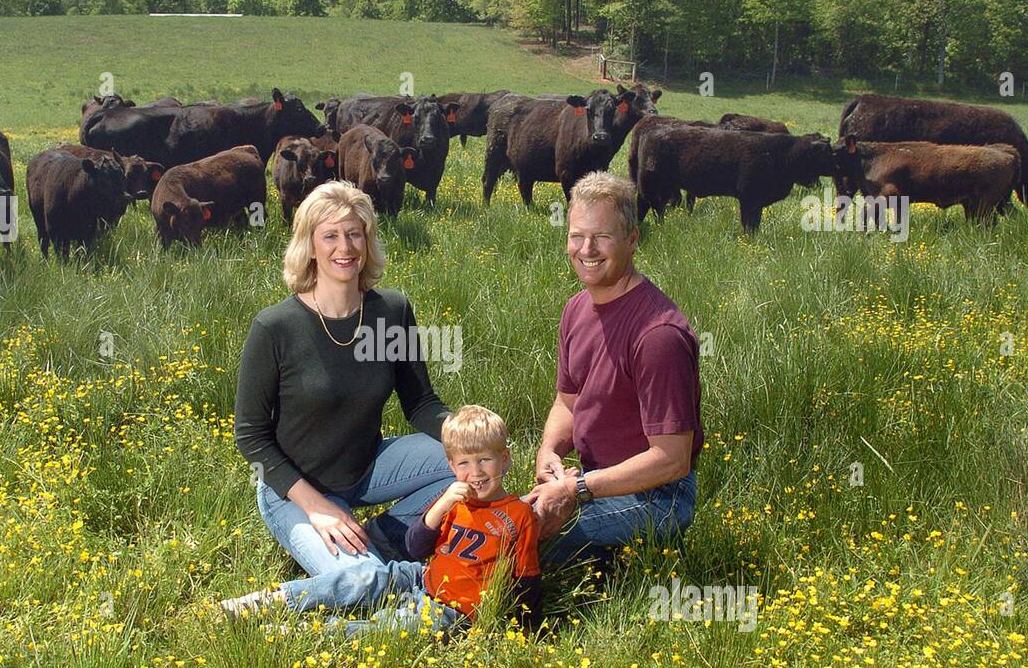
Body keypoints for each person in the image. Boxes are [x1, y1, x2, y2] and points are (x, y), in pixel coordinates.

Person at [234, 181, 456, 576]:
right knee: (362, 579)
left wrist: (467, 433)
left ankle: (384, 537)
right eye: (331, 236)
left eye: (355, 234)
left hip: (369, 466)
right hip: (294, 489)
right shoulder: (275, 326)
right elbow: (250, 437)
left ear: (367, 240)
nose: (345, 247)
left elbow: (420, 403)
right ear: (310, 245)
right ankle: (394, 577)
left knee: (477, 462)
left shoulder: (391, 310)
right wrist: (317, 507)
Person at [221, 405, 542, 636]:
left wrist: (527, 632)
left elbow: (527, 579)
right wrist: (440, 508)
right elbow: (415, 547)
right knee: (365, 578)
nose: (476, 472)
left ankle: (307, 632)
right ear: (451, 464)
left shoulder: (518, 515)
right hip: (421, 576)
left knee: (385, 629)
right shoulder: (457, 502)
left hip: (454, 611)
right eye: (465, 463)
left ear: (505, 459)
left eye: (485, 460)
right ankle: (274, 601)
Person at [523, 171, 702, 565]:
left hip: (659, 496)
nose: (586, 249)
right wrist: (549, 451)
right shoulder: (576, 308)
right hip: (595, 481)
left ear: (633, 239)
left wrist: (579, 490)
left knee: (521, 542)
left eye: (602, 237)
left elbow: (673, 458)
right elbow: (567, 403)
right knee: (498, 524)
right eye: (576, 236)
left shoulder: (659, 335)